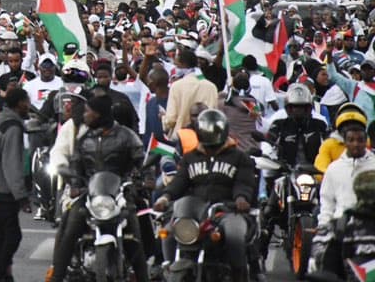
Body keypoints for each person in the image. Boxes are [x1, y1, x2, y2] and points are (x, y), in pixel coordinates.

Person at [48, 95, 149, 282]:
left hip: (119, 194)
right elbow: (76, 165)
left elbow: (141, 161)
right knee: (70, 226)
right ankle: (57, 276)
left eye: (88, 112)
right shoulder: (84, 139)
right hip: (90, 194)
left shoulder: (127, 136)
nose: (84, 115)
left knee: (134, 235)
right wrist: (75, 184)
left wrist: (141, 180)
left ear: (99, 114)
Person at [153, 109, 257, 281]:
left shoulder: (239, 157)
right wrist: (165, 197)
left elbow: (244, 182)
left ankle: (239, 275)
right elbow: (179, 181)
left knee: (234, 235)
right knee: (168, 232)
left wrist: (241, 198)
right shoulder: (190, 157)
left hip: (227, 210)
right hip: (195, 212)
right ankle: (169, 266)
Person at [0, 88, 33, 282]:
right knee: (11, 238)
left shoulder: (5, 122)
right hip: (4, 191)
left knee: (2, 239)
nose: (28, 105)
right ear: (19, 103)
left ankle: (1, 275)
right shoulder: (13, 128)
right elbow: (12, 164)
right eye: (26, 102)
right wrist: (21, 196)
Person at [317, 119, 375, 228]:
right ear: (345, 142)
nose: (356, 144)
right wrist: (323, 226)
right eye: (351, 140)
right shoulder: (334, 168)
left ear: (366, 142)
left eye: (360, 140)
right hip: (340, 226)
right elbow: (327, 203)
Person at [164, 48, 218, 138]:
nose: (175, 68)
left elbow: (171, 120)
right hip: (206, 137)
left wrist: (163, 118)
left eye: (176, 65)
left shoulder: (176, 86)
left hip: (182, 138)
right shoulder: (211, 87)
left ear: (183, 64)